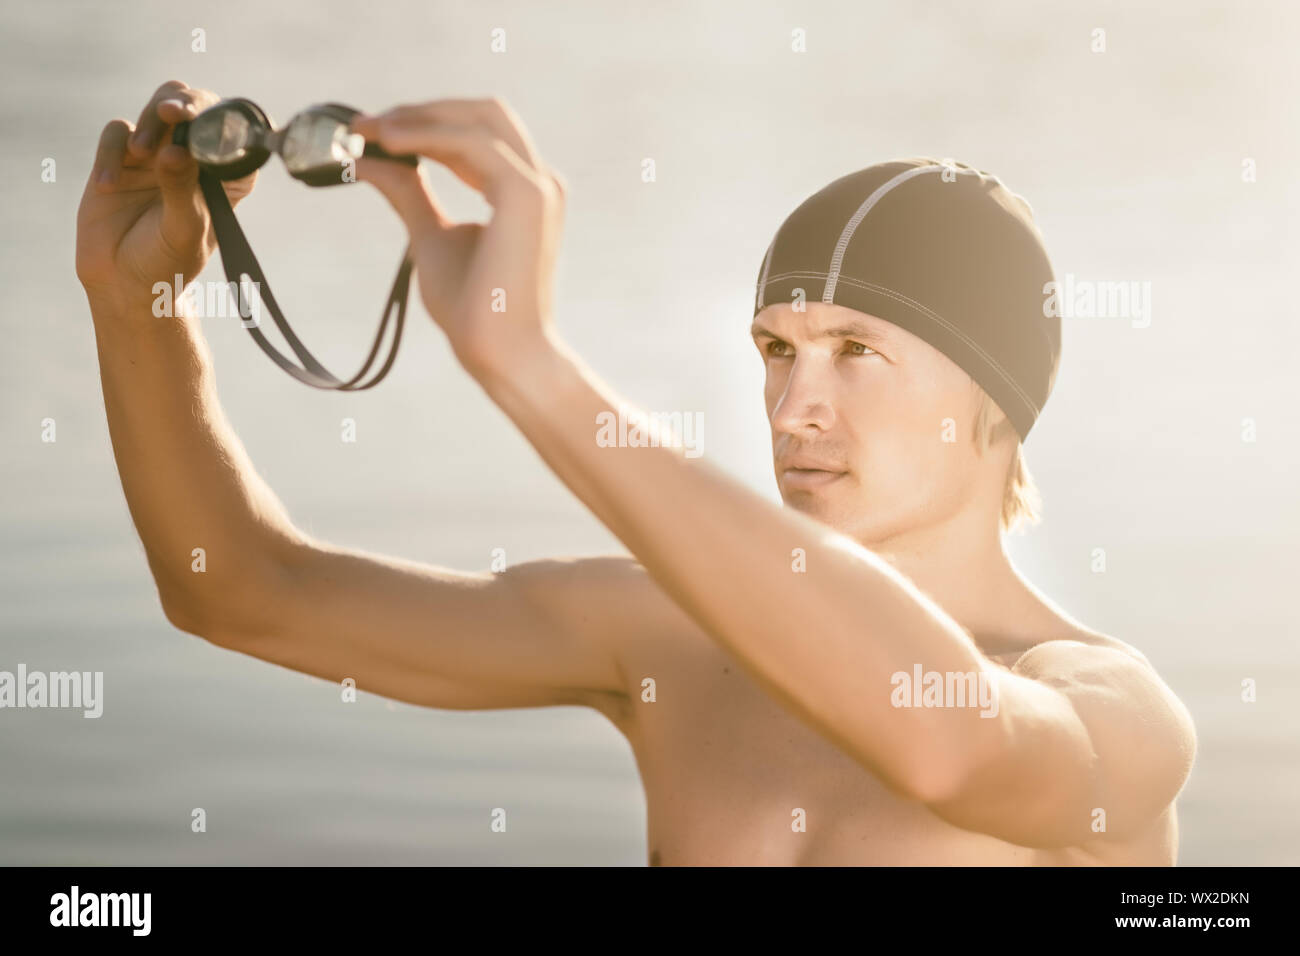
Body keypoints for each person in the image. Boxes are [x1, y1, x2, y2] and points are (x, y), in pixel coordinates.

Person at [75, 80, 1197, 866]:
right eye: (776, 348)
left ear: (996, 400)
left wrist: (529, 366)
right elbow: (241, 590)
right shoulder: (668, 636)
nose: (793, 404)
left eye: (858, 351)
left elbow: (949, 742)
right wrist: (137, 308)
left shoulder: (1114, 713)